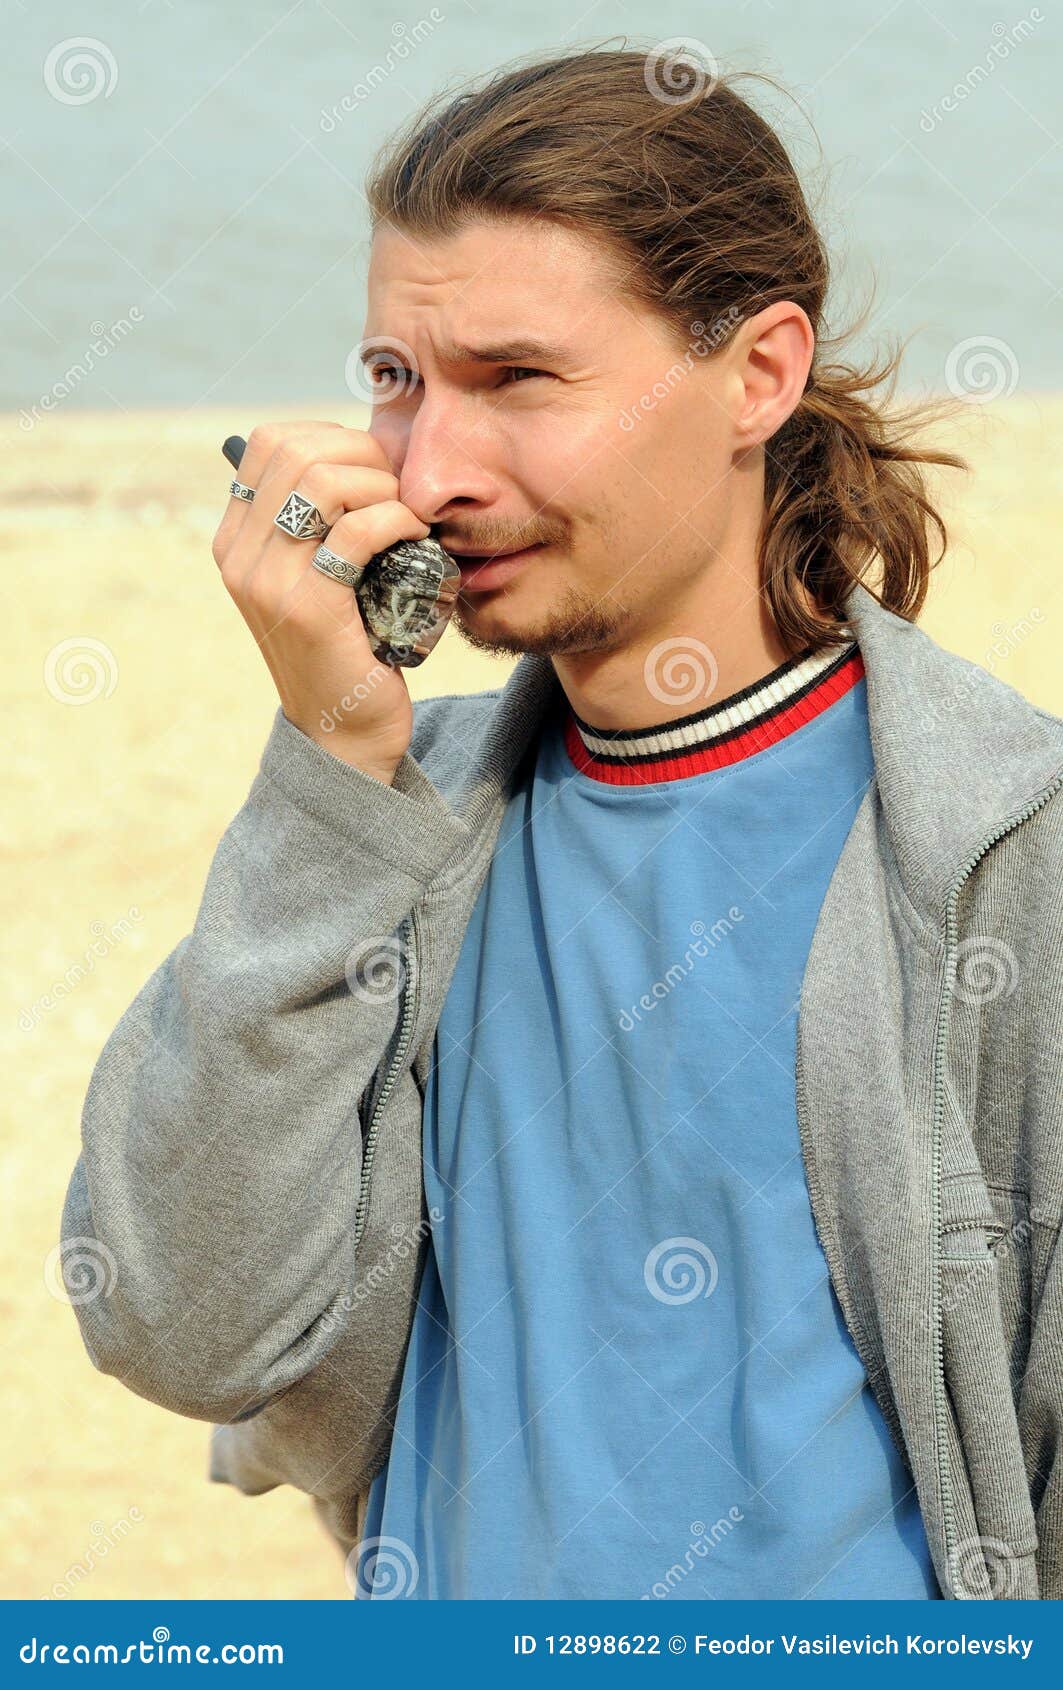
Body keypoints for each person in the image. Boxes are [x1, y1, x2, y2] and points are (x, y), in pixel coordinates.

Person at [60, 47, 1062, 1602]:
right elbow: (179, 1326)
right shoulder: (389, 828)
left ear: (758, 375)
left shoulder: (1003, 848)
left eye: (517, 378)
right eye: (396, 379)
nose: (431, 470)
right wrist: (330, 768)